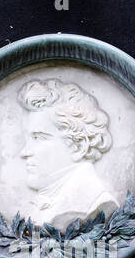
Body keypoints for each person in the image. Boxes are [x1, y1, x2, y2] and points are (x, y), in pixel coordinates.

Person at [16, 77, 120, 228]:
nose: (24, 152)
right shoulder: (47, 199)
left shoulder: (93, 204)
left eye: (38, 137)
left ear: (79, 146)